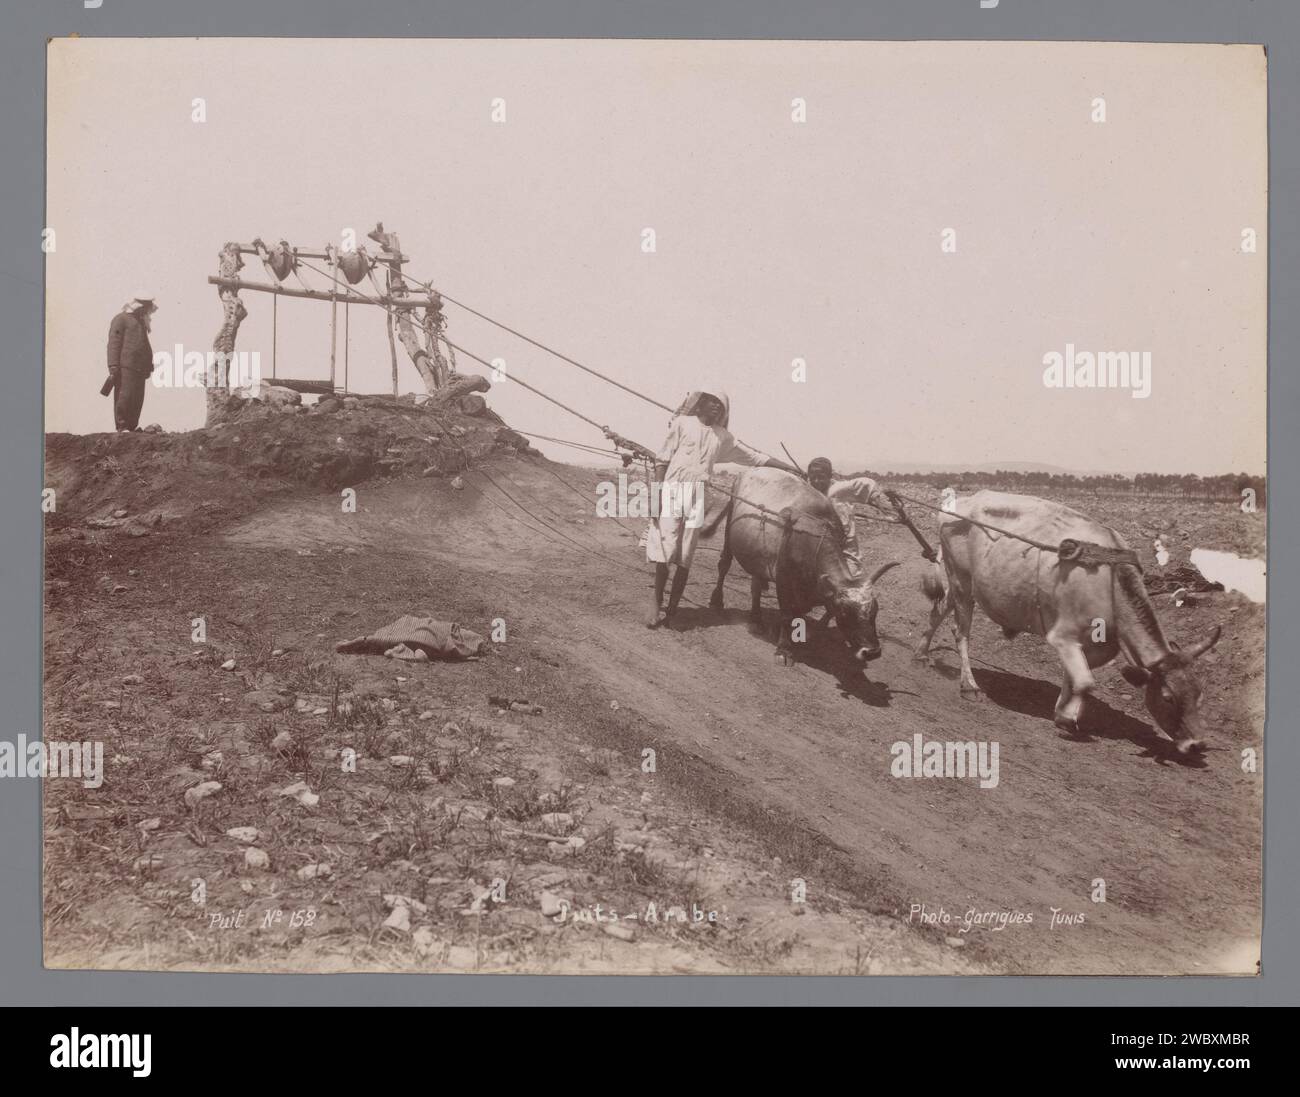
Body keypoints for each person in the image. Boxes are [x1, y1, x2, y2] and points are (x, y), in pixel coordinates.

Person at [644, 389, 799, 628]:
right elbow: (662, 460)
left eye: (721, 405)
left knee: (685, 554)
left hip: (696, 498)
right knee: (665, 551)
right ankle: (656, 602)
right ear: (701, 404)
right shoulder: (682, 424)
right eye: (713, 402)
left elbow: (755, 457)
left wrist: (790, 468)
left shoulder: (722, 437)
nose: (717, 407)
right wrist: (656, 496)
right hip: (672, 492)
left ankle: (673, 606)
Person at [806, 456, 891, 575]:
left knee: (851, 571)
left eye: (821, 477)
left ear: (830, 476)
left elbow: (866, 483)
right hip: (823, 540)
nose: (816, 481)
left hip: (845, 539)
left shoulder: (837, 489)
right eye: (813, 478)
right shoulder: (809, 491)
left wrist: (879, 499)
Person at [104, 298, 158, 431]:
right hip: (126, 367)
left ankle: (131, 426)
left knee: (137, 398)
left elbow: (145, 345)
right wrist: (113, 365)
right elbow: (114, 344)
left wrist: (149, 365)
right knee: (125, 396)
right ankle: (122, 426)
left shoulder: (140, 322)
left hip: (140, 368)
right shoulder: (120, 319)